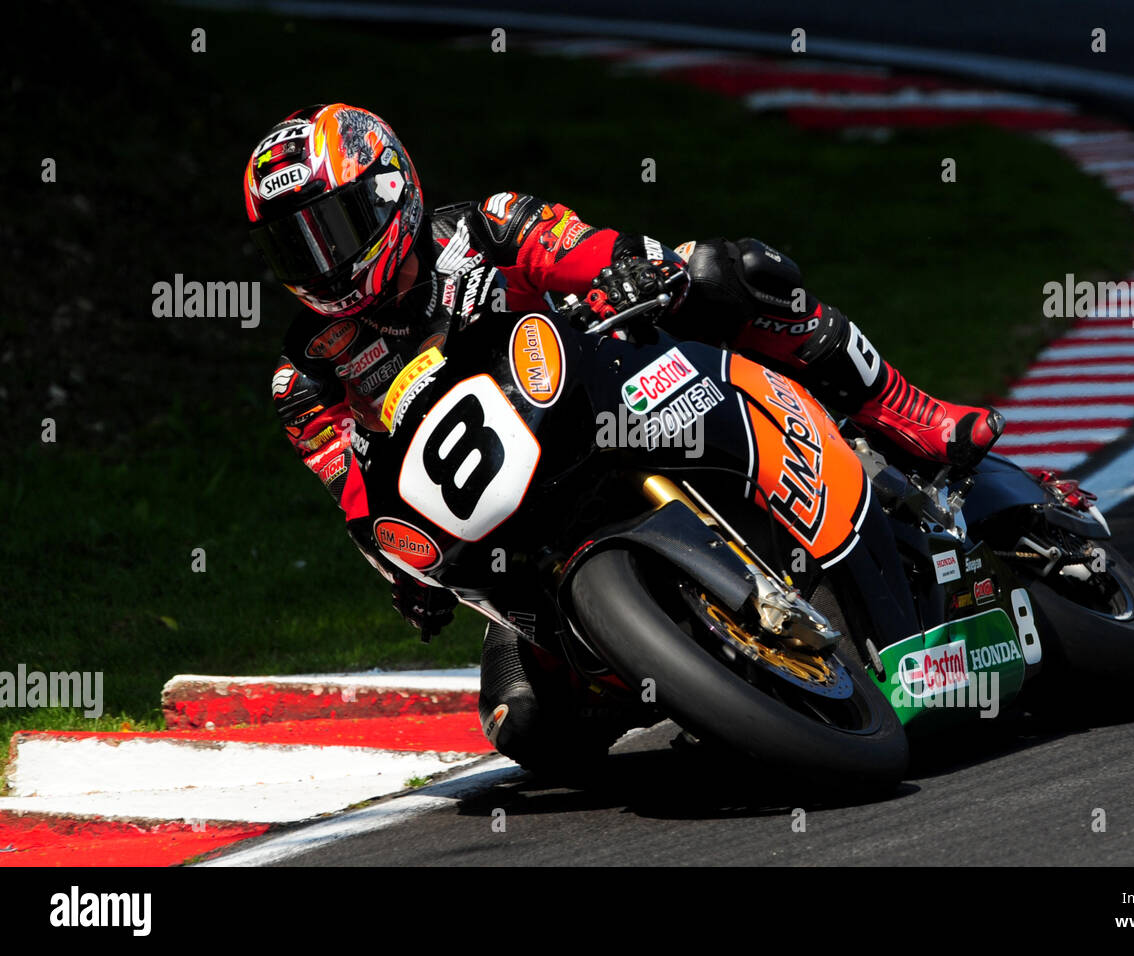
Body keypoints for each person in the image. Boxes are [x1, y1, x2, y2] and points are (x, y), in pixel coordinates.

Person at [247, 103, 1003, 769]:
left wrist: (629, 271)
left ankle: (907, 410)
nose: (324, 260)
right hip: (518, 530)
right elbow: (353, 492)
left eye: (333, 228)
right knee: (525, 727)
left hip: (611, 398)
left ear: (390, 192)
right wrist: (403, 575)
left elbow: (573, 245)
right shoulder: (305, 375)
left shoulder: (482, 227)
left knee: (731, 271)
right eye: (296, 245)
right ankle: (693, 675)